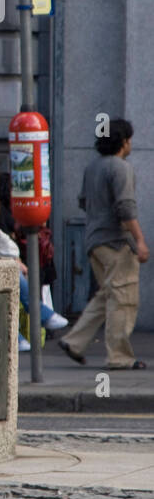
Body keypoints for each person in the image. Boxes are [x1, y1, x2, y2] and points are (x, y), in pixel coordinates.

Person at [59, 118, 149, 369]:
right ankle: (119, 357)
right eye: (129, 140)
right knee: (123, 299)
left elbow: (83, 201)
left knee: (108, 294)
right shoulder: (121, 168)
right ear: (123, 142)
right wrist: (140, 241)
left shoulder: (93, 166)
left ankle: (74, 342)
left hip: (94, 241)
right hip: (117, 242)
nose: (131, 145)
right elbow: (125, 207)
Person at [0, 161, 68, 341]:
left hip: (0, 256)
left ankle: (22, 333)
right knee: (15, 275)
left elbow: (11, 225)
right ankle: (39, 320)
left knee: (23, 275)